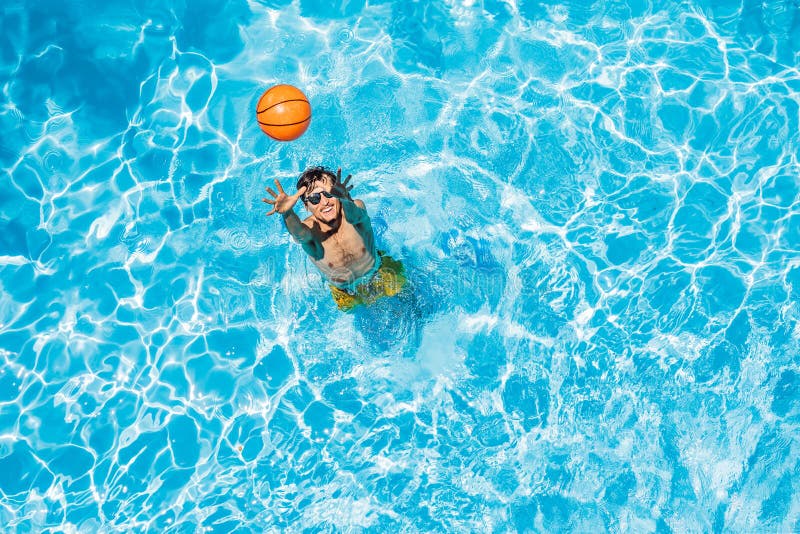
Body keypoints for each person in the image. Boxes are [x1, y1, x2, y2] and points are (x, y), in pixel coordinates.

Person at [263, 166, 405, 311]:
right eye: (315, 198)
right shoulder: (311, 230)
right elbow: (299, 235)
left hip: (380, 272)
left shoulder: (354, 209)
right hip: (347, 292)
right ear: (306, 206)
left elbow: (355, 215)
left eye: (329, 193)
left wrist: (345, 199)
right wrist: (287, 213)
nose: (325, 202)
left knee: (414, 308)